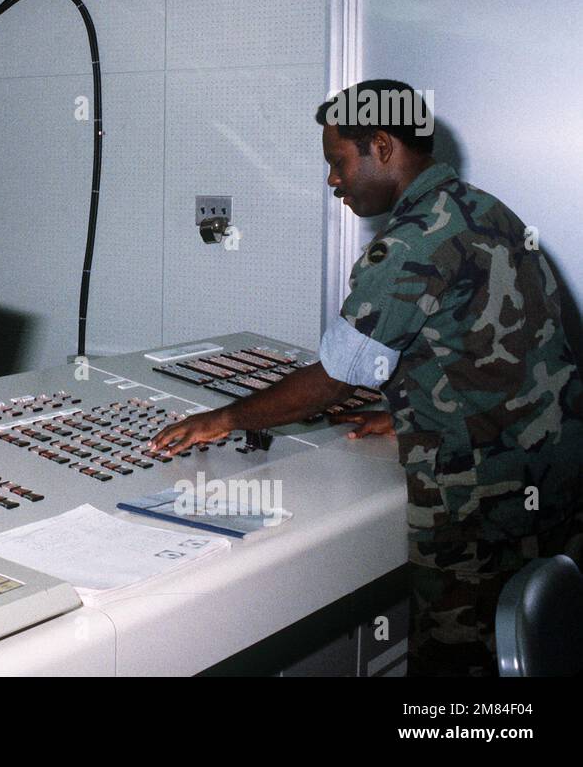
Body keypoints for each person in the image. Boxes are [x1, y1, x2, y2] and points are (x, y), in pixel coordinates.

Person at [150, 79, 583, 676]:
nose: (333, 181)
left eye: (336, 162)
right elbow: (504, 350)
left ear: (381, 146)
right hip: (550, 478)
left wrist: (223, 418)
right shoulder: (485, 209)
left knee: (456, 670)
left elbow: (335, 378)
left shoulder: (410, 243)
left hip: (482, 504)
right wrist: (412, 413)